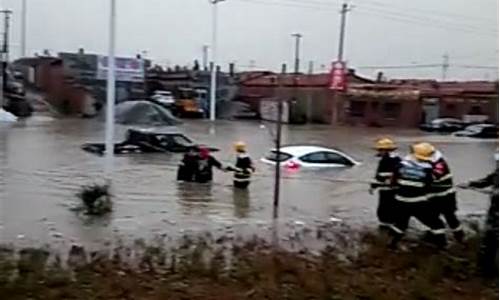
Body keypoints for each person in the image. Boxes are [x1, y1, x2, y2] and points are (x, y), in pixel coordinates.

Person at [389, 142, 447, 249]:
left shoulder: (400, 165)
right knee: (437, 224)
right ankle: (442, 246)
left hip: (400, 201)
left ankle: (391, 245)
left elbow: (393, 182)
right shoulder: (428, 170)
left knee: (401, 224)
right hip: (418, 202)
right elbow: (429, 185)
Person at [460, 152, 498, 276]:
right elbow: (490, 179)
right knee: (489, 240)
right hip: (495, 212)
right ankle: (485, 270)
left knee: (491, 239)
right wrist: (471, 184)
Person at [422, 143, 464, 242]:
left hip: (445, 196)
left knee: (450, 217)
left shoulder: (439, 164)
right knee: (432, 217)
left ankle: (458, 237)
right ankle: (434, 236)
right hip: (434, 196)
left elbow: (431, 177)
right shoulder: (430, 162)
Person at [370, 137, 401, 229]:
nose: (379, 152)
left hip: (387, 190)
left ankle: (386, 225)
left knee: (385, 208)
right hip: (396, 189)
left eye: (380, 150)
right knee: (393, 207)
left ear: (385, 150)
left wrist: (373, 186)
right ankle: (394, 223)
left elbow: (381, 176)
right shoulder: (397, 158)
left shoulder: (386, 161)